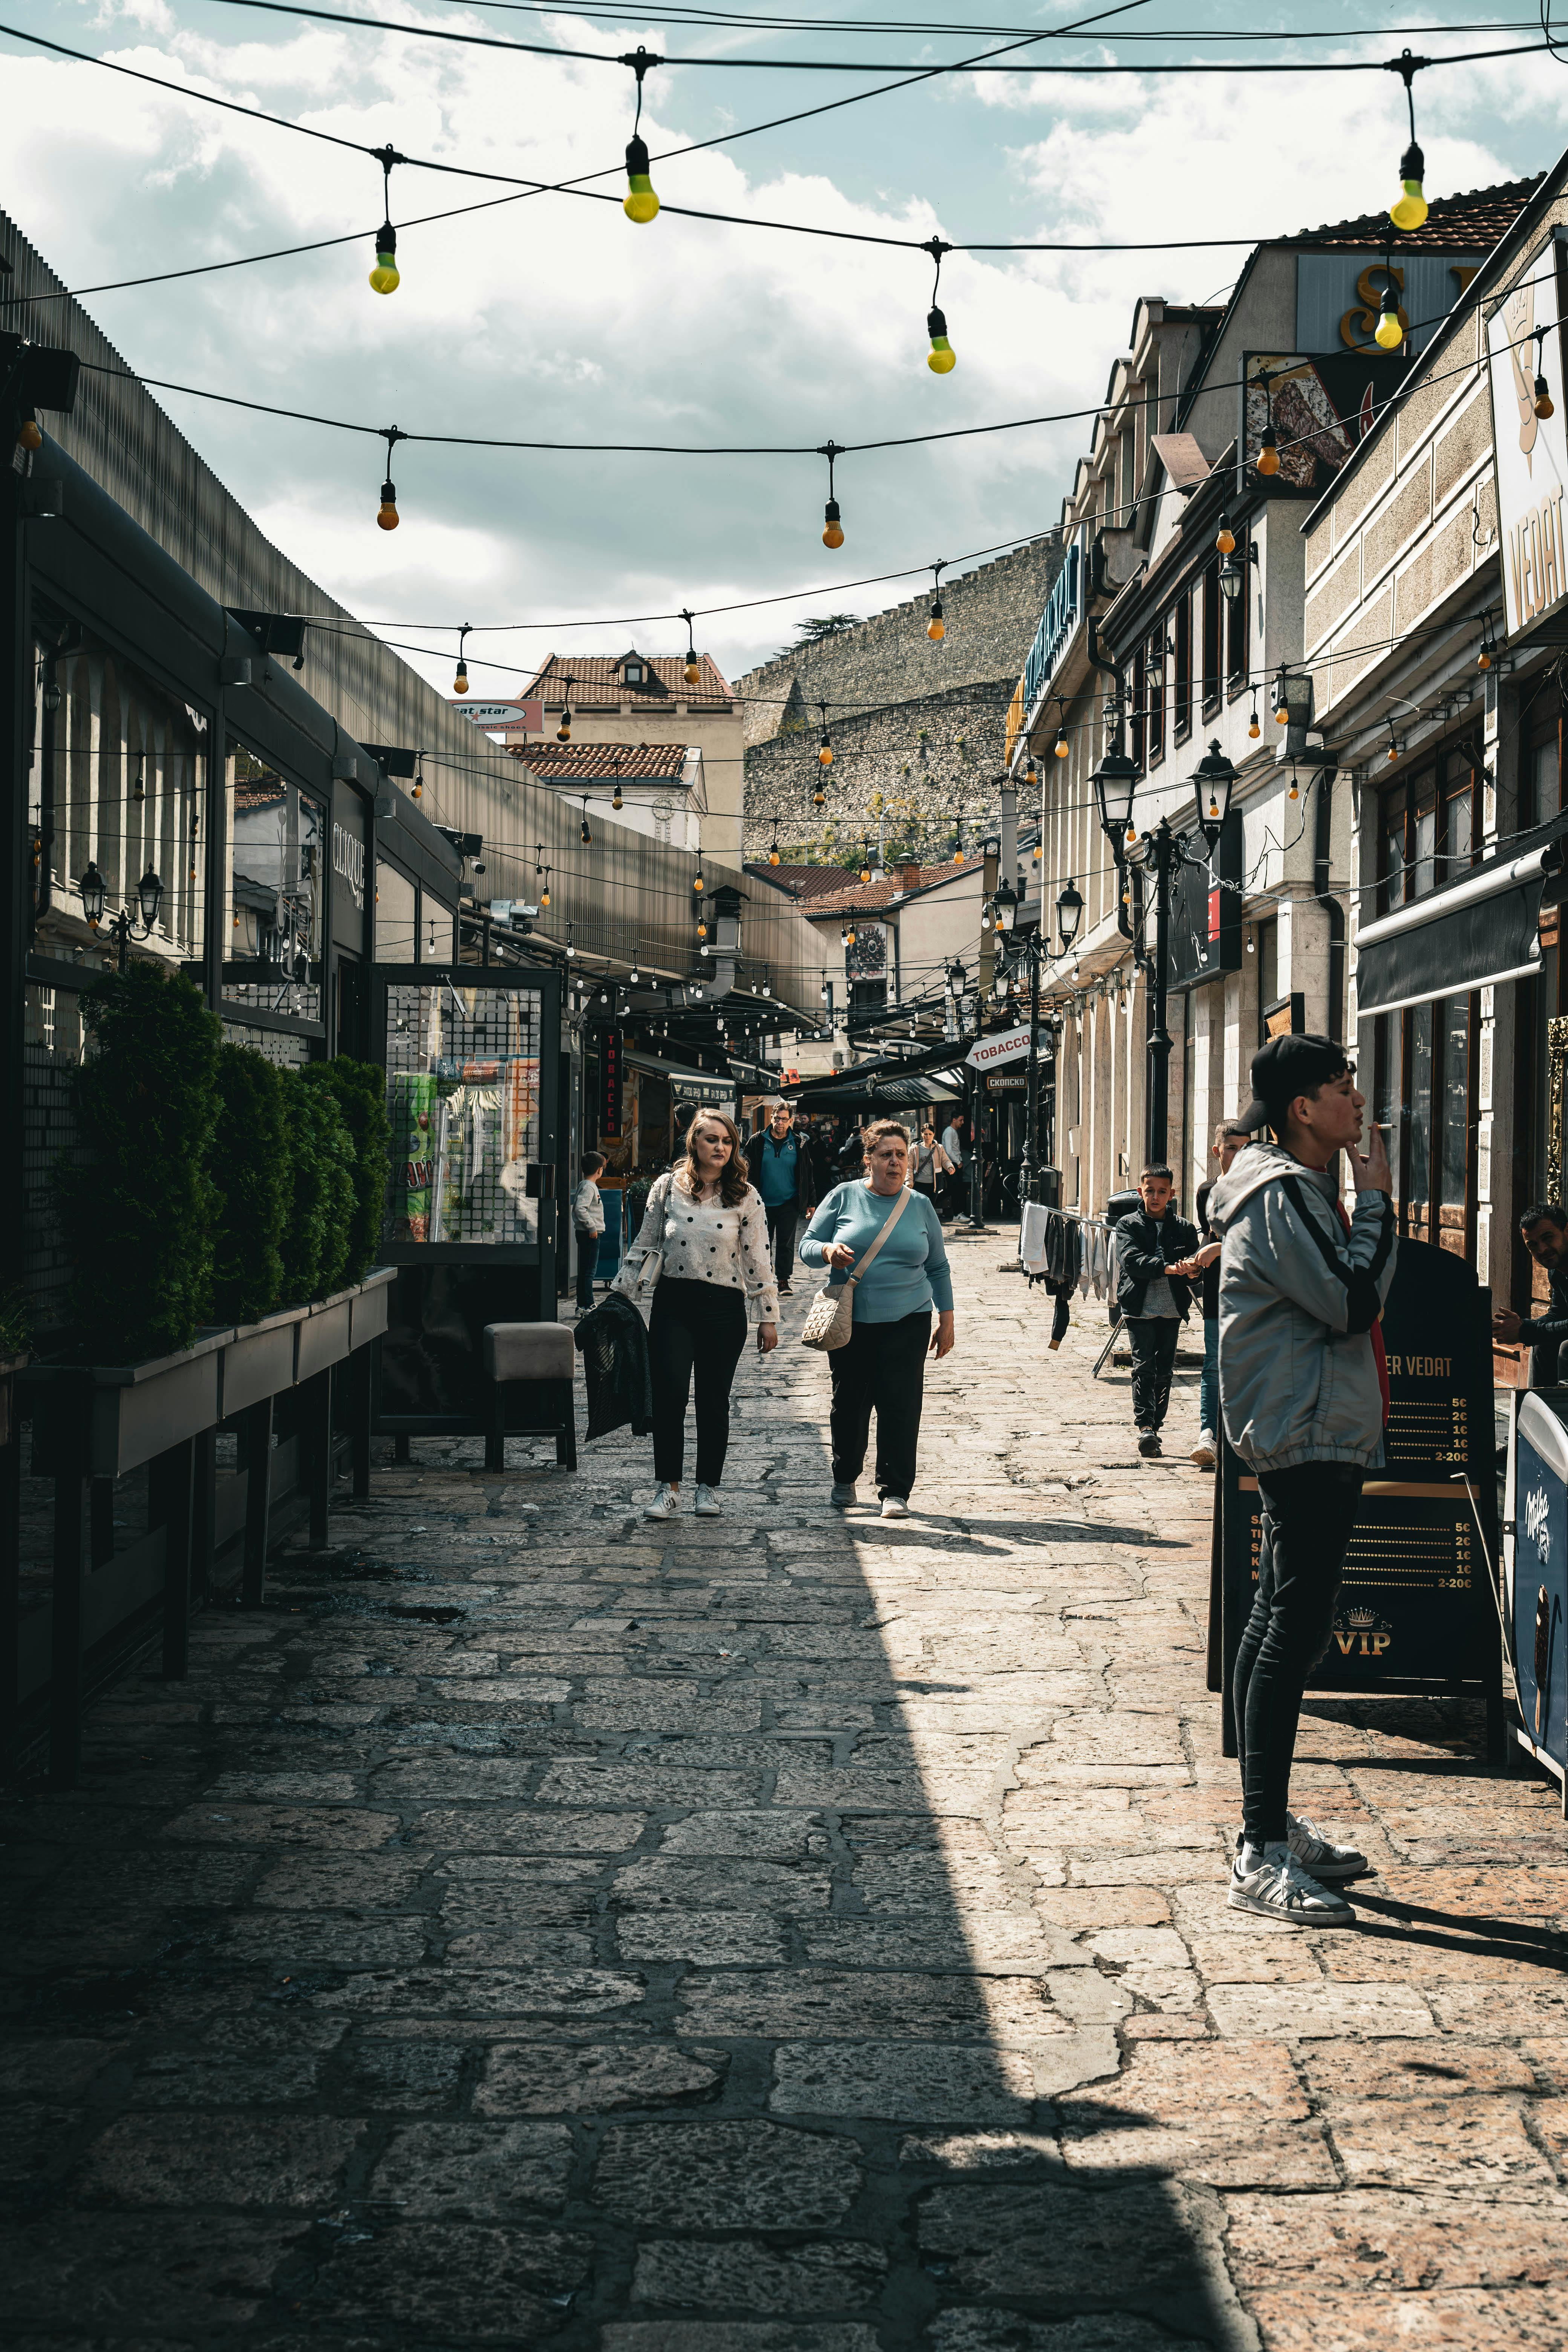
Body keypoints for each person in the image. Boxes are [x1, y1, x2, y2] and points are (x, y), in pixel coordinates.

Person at [1209, 1033, 1397, 1929]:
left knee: (1277, 1616)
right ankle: (1259, 1850)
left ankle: (1268, 1822)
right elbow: (1350, 1303)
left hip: (1310, 1418)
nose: (1356, 1101)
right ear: (1301, 1108)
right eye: (1342, 1087)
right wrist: (1381, 1203)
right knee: (1293, 1625)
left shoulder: (1296, 1187)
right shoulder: (1281, 1193)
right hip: (1304, 1424)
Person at [614, 1111, 778, 1521]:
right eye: (711, 1139)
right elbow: (645, 1242)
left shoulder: (746, 1195)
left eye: (727, 1141)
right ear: (694, 1143)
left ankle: (708, 1488)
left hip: (724, 1308)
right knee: (669, 1397)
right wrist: (621, 1295)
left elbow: (758, 1258)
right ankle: (668, 1488)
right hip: (674, 1304)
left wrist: (767, 1315)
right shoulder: (667, 1187)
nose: (720, 1147)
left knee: (713, 1401)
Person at [799, 1118, 955, 1520]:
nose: (895, 1162)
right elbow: (806, 1246)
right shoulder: (843, 1197)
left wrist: (947, 1318)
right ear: (868, 1159)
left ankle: (895, 1490)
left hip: (910, 1318)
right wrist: (828, 1251)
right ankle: (845, 1476)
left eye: (901, 1155)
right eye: (886, 1155)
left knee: (901, 1405)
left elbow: (938, 1266)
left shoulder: (919, 1206)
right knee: (849, 1403)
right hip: (851, 1320)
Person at [1113, 1165, 1199, 1459]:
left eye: (1162, 1191)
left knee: (1165, 1371)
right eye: (1150, 1191)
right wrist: (1168, 1268)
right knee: (1143, 1368)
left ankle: (1156, 1428)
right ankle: (1145, 1427)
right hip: (1140, 1308)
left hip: (1172, 1310)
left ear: (1172, 1194)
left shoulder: (1185, 1228)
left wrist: (1192, 1271)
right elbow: (1131, 1260)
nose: (1155, 1197)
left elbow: (1196, 1272)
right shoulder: (1128, 1224)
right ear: (1140, 1191)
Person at [1191, 1122, 1254, 1468]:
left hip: (1254, 1293)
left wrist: (1220, 1248)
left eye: (1245, 1148)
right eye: (1232, 1148)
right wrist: (1196, 1262)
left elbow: (1262, 1243)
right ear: (1217, 1151)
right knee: (1213, 1362)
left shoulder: (1261, 1189)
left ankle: (1242, 1438)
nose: (1239, 1155)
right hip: (1217, 1289)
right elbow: (1208, 1235)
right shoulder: (1206, 1191)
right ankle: (1208, 1434)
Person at [744, 1100, 816, 1297]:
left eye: (784, 1119)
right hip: (761, 1203)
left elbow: (807, 1173)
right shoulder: (758, 1141)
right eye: (777, 1119)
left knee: (786, 1243)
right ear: (771, 1118)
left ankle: (783, 1280)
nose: (780, 1123)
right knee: (763, 1242)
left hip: (789, 1202)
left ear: (791, 1121)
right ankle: (765, 1277)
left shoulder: (799, 1143)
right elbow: (744, 1170)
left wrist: (811, 1202)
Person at [1492, 1203, 1568, 1384]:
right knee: (1541, 1343)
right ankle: (1535, 1402)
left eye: (1548, 1238)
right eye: (1533, 1245)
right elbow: (1559, 1312)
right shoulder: (1557, 1269)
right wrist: (1522, 1326)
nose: (1542, 1250)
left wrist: (1527, 1331)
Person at [571, 1151, 606, 1314]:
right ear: (600, 1170)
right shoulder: (589, 1187)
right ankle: (589, 1305)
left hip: (586, 1233)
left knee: (585, 1270)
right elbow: (580, 1209)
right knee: (589, 1272)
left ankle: (581, 1305)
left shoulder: (585, 1185)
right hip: (590, 1234)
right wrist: (592, 1227)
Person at [911, 1121, 952, 1205]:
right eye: (926, 1134)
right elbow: (909, 1166)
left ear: (934, 1134)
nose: (928, 1137)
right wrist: (909, 1182)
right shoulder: (915, 1148)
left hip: (933, 1185)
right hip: (919, 1183)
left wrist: (950, 1167)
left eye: (930, 1134)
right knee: (921, 1206)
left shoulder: (939, 1148)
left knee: (930, 1207)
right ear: (922, 1134)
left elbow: (945, 1160)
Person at [939, 1114, 966, 1219]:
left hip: (954, 1162)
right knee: (955, 1189)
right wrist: (958, 1162)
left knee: (955, 1188)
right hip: (952, 1163)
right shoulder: (950, 1132)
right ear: (954, 1120)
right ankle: (957, 1214)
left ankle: (958, 1213)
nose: (963, 1123)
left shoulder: (953, 1132)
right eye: (961, 1120)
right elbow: (949, 1150)